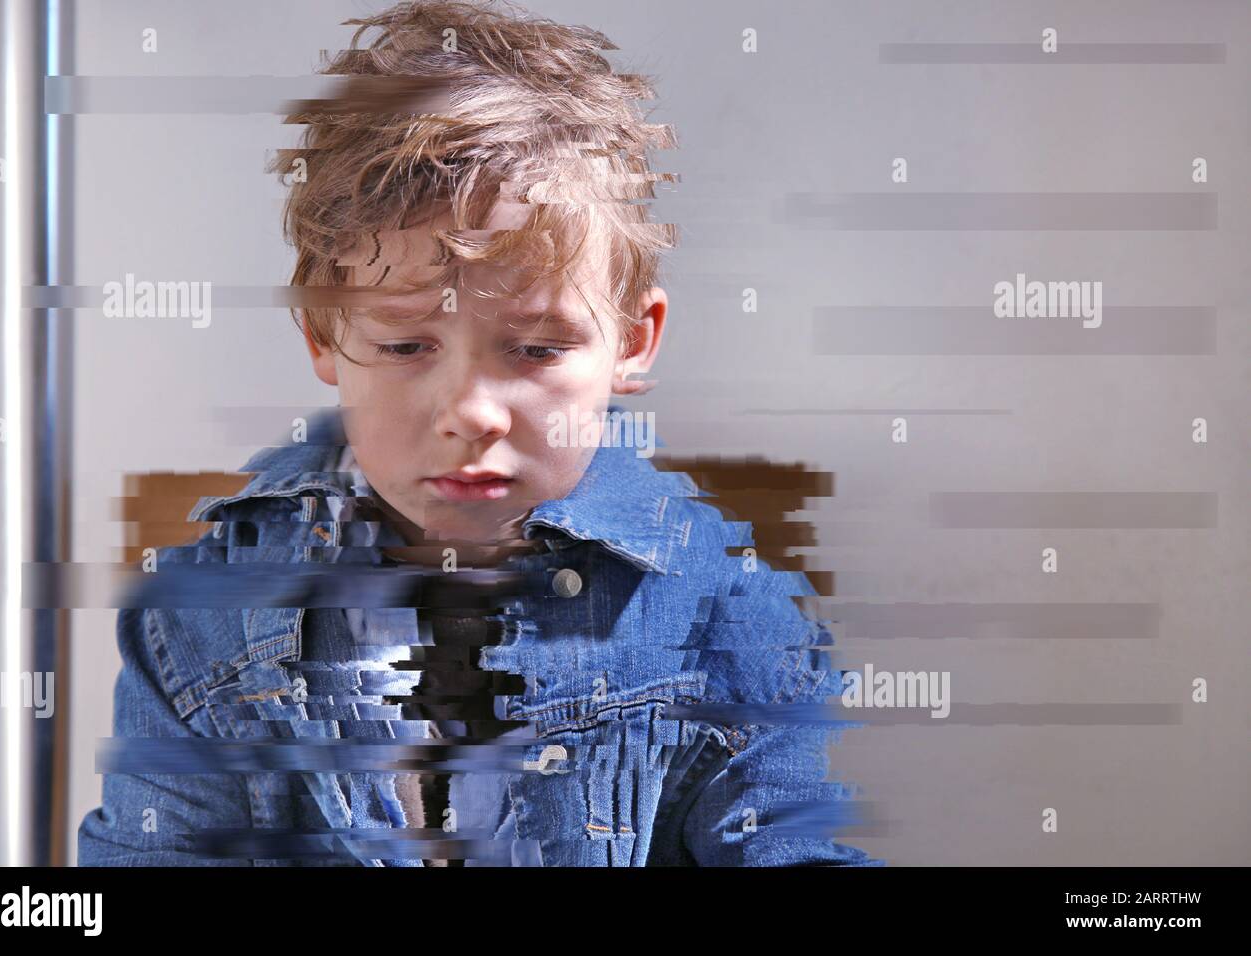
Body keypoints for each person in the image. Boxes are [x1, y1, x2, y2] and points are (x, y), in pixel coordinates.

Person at [77, 0, 880, 867]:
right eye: (405, 345)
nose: (471, 411)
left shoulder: (728, 611)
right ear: (323, 338)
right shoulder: (204, 613)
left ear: (633, 342)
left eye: (535, 349)